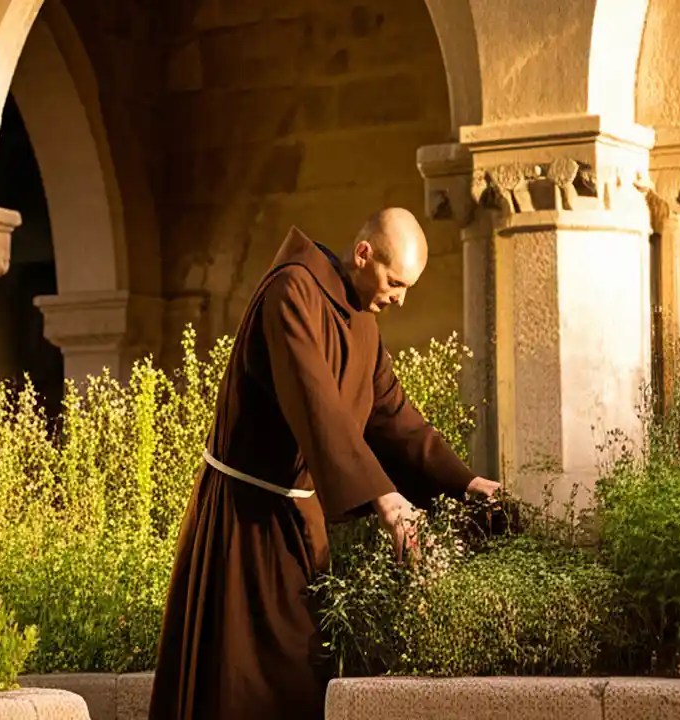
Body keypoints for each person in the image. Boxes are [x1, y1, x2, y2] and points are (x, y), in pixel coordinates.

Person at [147, 208, 501, 720]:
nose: (400, 298)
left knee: (304, 677)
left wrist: (466, 482)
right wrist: (385, 498)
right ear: (363, 254)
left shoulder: (362, 323)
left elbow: (394, 418)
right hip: (244, 527)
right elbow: (317, 407)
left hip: (299, 525)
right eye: (395, 282)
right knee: (242, 685)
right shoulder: (292, 292)